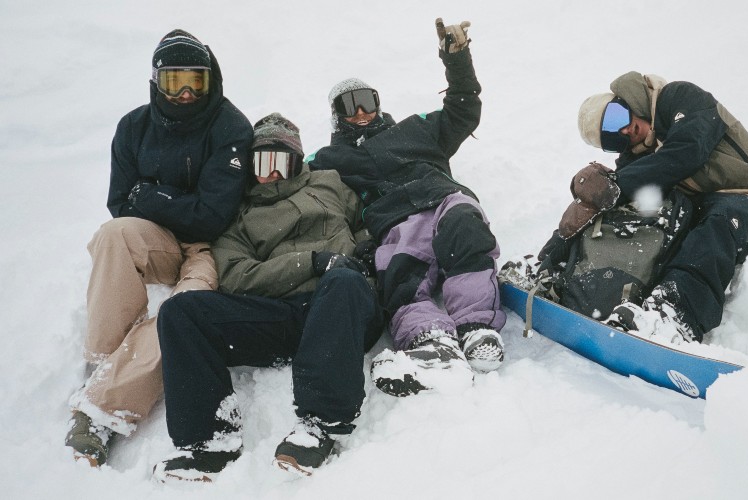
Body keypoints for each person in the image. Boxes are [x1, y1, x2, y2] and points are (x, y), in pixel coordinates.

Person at [151, 113, 383, 482]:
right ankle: (209, 444)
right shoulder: (238, 213)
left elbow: (370, 220)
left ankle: (321, 423)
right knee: (182, 312)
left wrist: (368, 246)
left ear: (298, 161)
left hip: (344, 306)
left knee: (342, 281)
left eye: (282, 162)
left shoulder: (330, 184)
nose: (272, 173)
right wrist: (309, 262)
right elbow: (237, 277)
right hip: (282, 315)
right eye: (263, 162)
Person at [64, 29, 252, 467]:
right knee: (113, 236)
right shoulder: (133, 127)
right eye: (174, 82)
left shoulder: (230, 127)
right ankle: (105, 365)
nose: (186, 93)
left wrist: (149, 195)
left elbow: (212, 217)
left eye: (196, 82)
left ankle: (103, 408)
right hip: (160, 237)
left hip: (212, 247)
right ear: (156, 81)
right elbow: (118, 205)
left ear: (211, 80)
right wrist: (159, 204)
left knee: (181, 310)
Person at [308, 18, 506, 397]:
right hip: (397, 222)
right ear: (337, 116)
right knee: (400, 275)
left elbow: (462, 110)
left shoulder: (416, 129)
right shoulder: (328, 159)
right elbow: (289, 181)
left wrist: (457, 59)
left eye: (368, 101)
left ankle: (476, 328)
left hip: (444, 198)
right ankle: (431, 340)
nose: (361, 112)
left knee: (466, 226)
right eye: (349, 106)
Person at [539, 71, 748, 343]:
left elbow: (688, 150)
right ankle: (556, 275)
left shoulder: (679, 97)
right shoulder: (636, 158)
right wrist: (554, 250)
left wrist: (618, 184)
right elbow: (607, 204)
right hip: (700, 212)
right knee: (628, 219)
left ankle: (674, 315)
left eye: (616, 118)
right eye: (613, 137)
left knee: (718, 221)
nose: (624, 131)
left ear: (628, 101)